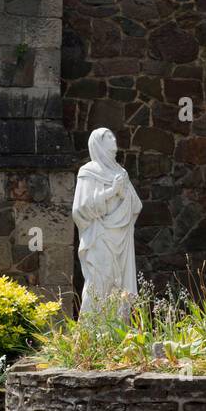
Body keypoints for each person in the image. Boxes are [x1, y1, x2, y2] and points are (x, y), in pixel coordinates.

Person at [72, 128, 141, 316]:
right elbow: (81, 209)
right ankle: (90, 334)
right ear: (98, 143)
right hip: (100, 235)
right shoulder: (89, 171)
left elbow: (136, 205)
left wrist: (122, 192)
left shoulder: (121, 172)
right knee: (99, 281)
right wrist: (111, 191)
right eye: (108, 136)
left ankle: (117, 334)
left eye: (113, 134)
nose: (114, 138)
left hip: (121, 236)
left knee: (120, 288)